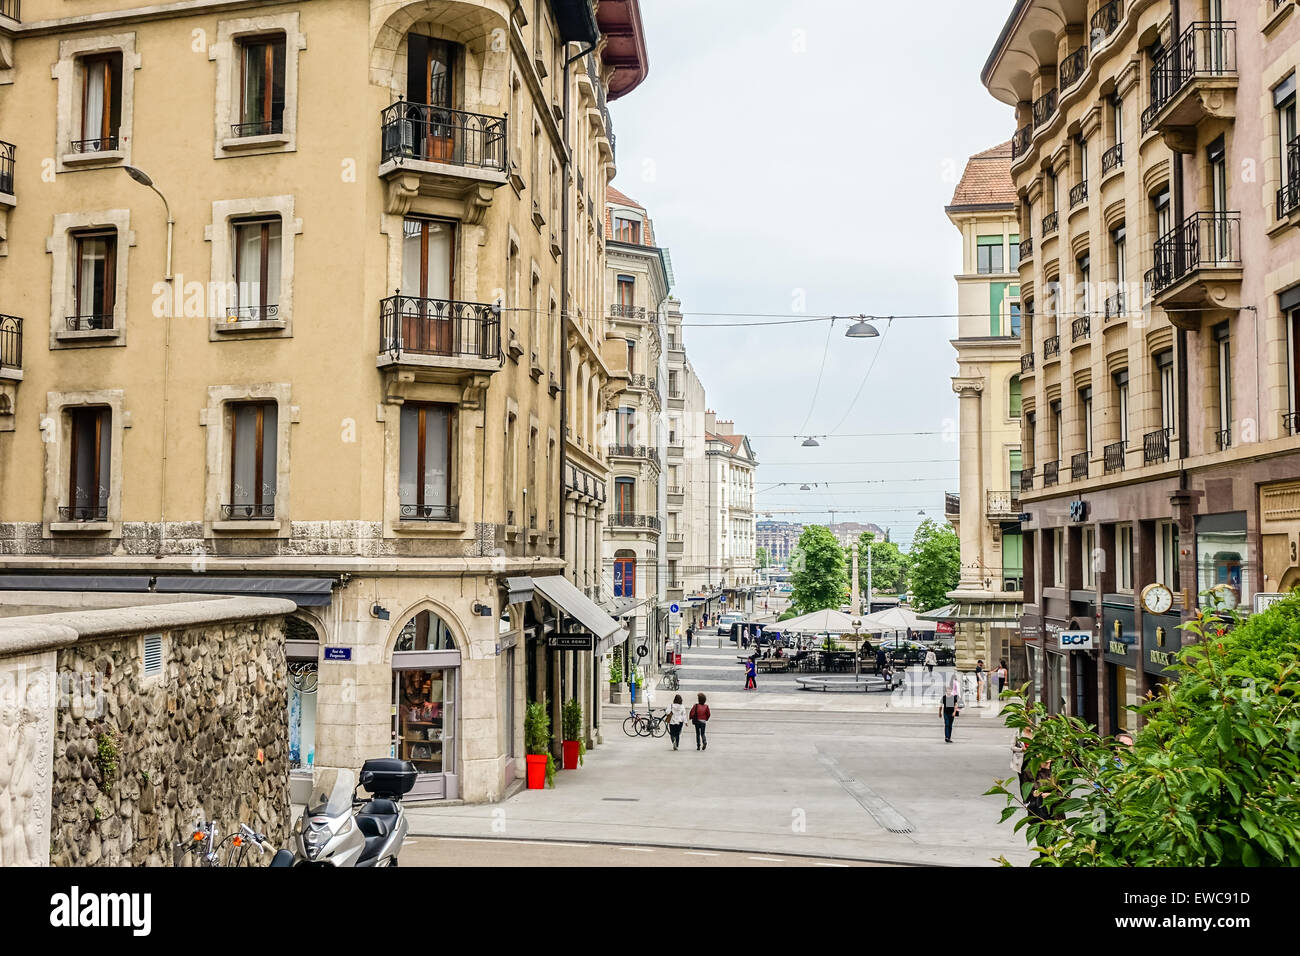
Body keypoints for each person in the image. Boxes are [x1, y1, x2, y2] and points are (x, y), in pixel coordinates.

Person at [940, 675, 962, 743]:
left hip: (951, 713)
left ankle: (949, 738)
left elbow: (955, 705)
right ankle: (946, 737)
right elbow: (941, 706)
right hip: (946, 713)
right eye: (947, 691)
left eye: (949, 690)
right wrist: (940, 713)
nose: (948, 691)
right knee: (947, 724)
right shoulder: (944, 697)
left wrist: (954, 712)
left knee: (950, 725)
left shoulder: (952, 697)